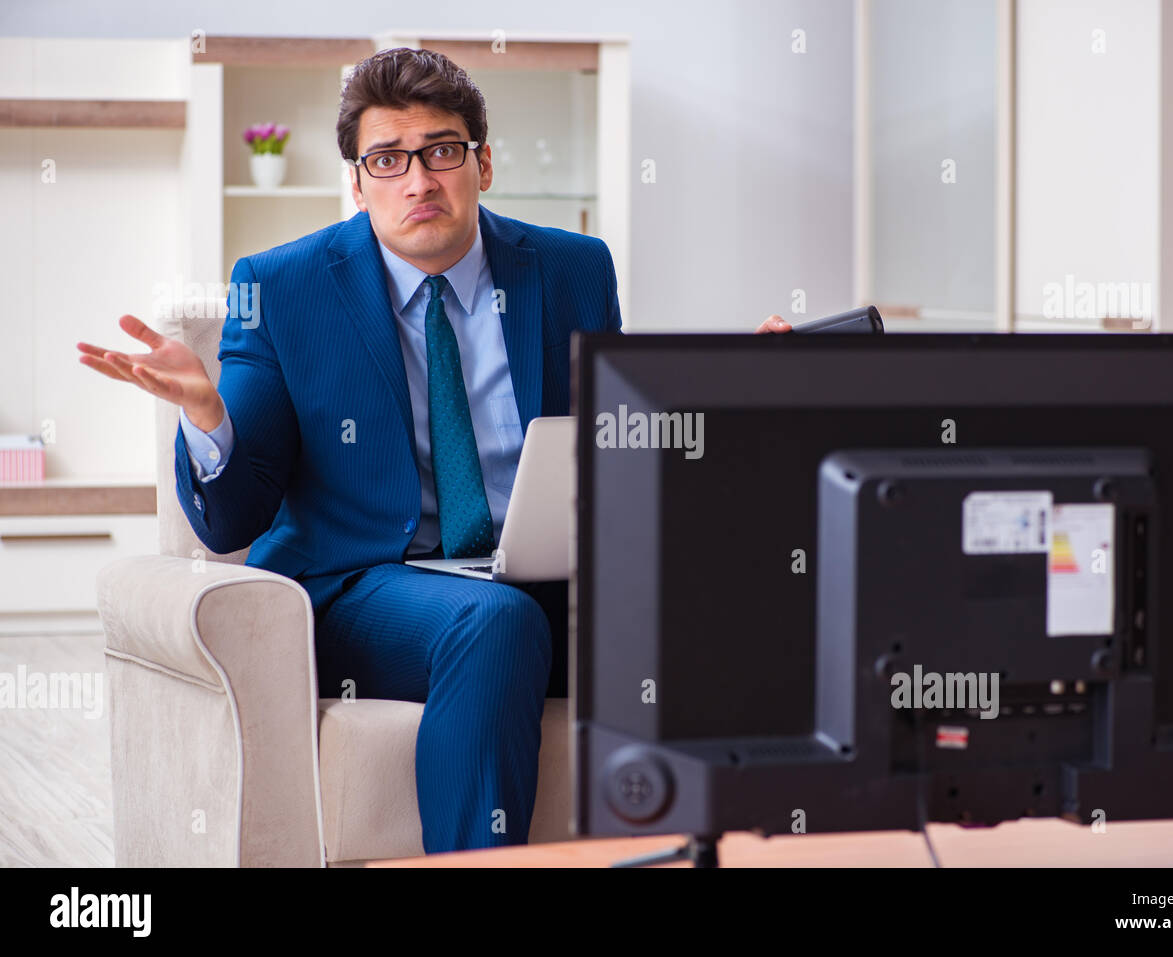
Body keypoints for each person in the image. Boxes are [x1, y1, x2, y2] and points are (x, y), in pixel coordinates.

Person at [78, 47, 791, 854]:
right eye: (387, 160)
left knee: (739, 598)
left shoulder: (570, 268)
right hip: (360, 586)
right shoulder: (281, 286)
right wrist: (206, 413)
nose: (418, 181)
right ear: (357, 181)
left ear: (483, 163)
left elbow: (617, 445)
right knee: (495, 624)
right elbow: (234, 513)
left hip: (535, 575)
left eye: (442, 151)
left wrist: (737, 400)